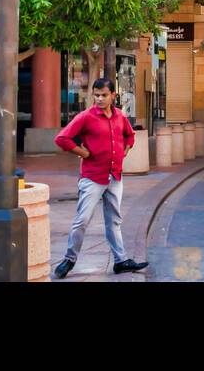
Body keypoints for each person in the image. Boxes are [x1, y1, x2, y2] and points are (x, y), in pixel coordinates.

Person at [52, 78, 148, 278]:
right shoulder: (85, 117)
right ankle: (69, 260)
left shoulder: (120, 116)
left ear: (113, 95)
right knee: (82, 220)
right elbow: (62, 139)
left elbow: (130, 136)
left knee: (114, 220)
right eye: (96, 95)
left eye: (104, 95)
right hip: (92, 177)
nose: (100, 99)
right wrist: (84, 153)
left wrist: (125, 150)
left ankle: (120, 261)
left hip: (115, 177)